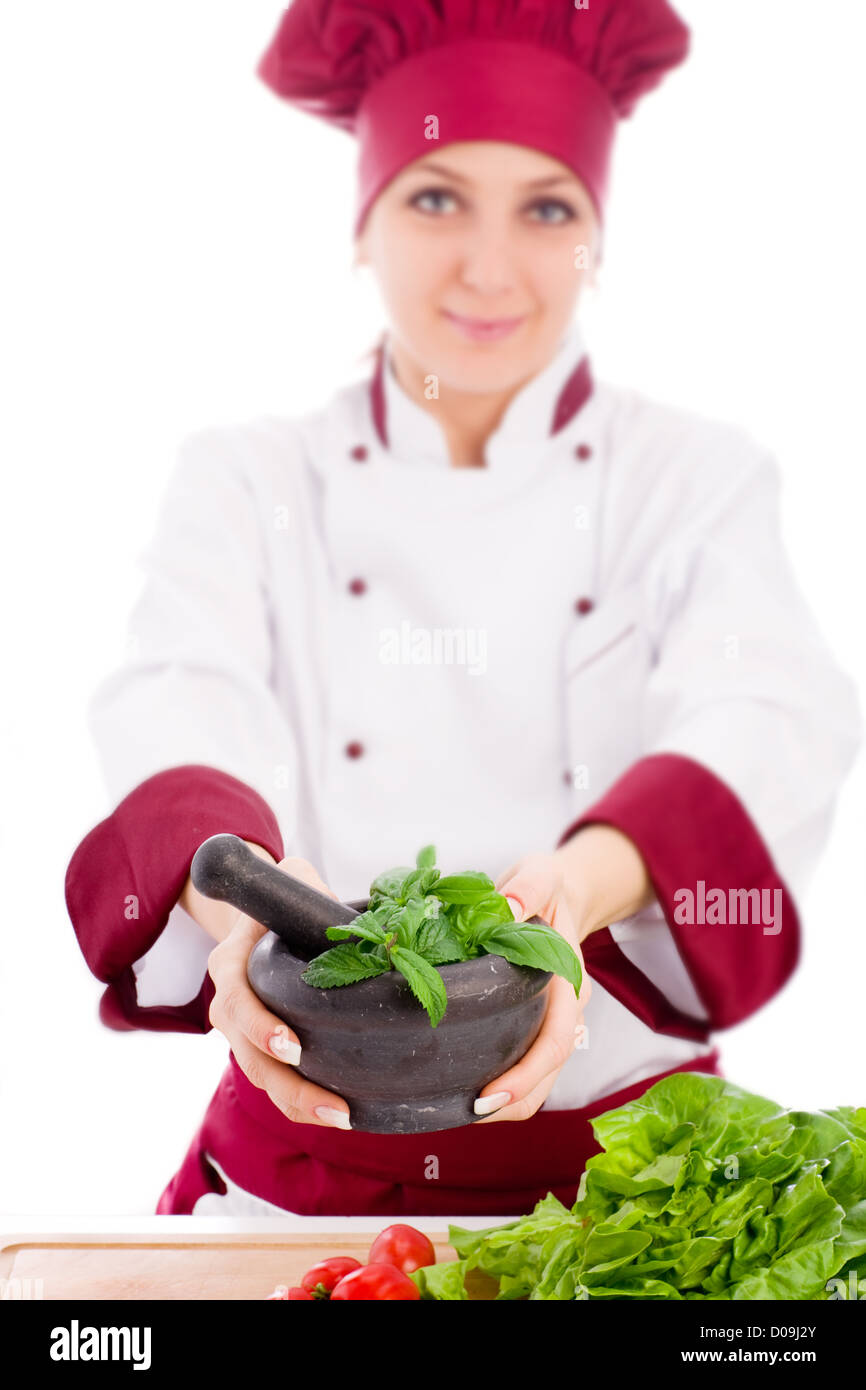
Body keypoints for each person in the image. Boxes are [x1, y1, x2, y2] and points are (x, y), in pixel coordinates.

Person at [65, 0, 861, 1218]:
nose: (488, 269)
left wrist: (572, 898)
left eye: (546, 209)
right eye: (435, 197)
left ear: (597, 237)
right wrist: (237, 915)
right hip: (299, 1182)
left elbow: (761, 717)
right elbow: (183, 700)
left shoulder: (689, 479)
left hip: (629, 1192)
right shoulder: (249, 479)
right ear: (361, 225)